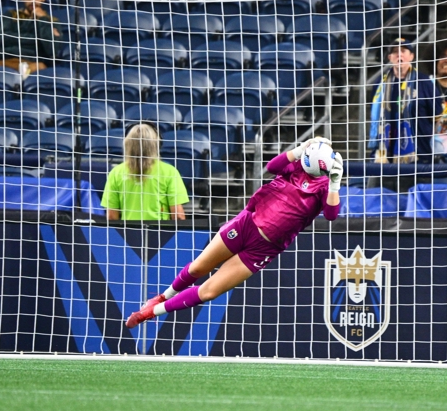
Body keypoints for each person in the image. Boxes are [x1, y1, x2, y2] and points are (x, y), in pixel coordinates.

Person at [125, 137, 343, 328]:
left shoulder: (324, 187)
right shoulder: (294, 167)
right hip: (245, 224)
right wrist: (300, 148)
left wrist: (335, 183)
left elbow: (332, 215)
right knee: (200, 266)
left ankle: (149, 313)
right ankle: (162, 297)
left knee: (210, 292)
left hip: (264, 249)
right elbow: (272, 166)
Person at [368, 37, 439, 163]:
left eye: (403, 50)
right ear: (390, 57)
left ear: (412, 56)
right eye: (395, 51)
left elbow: (437, 116)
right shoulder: (380, 84)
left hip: (420, 156)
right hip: (384, 156)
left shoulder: (425, 82)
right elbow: (375, 114)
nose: (399, 54)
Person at [102, 124, 190, 221]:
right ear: (156, 145)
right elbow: (178, 216)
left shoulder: (116, 172)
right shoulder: (169, 172)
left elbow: (111, 216)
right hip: (161, 233)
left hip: (127, 233)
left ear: (127, 144)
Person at [0, 0, 62, 76]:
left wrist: (43, 18)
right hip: (4, 61)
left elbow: (52, 49)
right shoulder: (11, 15)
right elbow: (3, 38)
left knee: (38, 67)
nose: (33, 0)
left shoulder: (52, 21)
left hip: (33, 63)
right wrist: (37, 40)